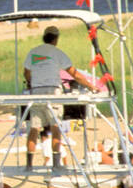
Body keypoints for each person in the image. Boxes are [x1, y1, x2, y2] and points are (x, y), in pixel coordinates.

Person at [22, 25, 99, 169]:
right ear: (56, 39)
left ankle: (29, 164)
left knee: (34, 128)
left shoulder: (33, 52)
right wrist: (91, 86)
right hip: (53, 92)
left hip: (36, 91)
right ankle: (56, 164)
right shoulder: (57, 53)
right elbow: (74, 74)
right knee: (55, 126)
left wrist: (30, 83)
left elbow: (26, 72)